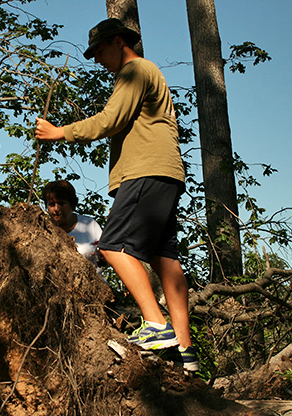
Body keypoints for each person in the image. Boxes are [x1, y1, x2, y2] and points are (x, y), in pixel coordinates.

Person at [35, 18, 199, 371]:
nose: (96, 59)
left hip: (145, 170)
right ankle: (186, 353)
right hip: (166, 174)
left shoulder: (135, 71)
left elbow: (110, 119)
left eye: (98, 51)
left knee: (111, 245)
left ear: (117, 41)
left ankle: (156, 325)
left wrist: (60, 132)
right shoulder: (146, 73)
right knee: (164, 259)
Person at [42, 180, 104, 271]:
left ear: (72, 204)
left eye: (61, 203)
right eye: (51, 204)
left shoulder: (90, 225)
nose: (56, 209)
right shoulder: (42, 229)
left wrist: (103, 258)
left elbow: (106, 254)